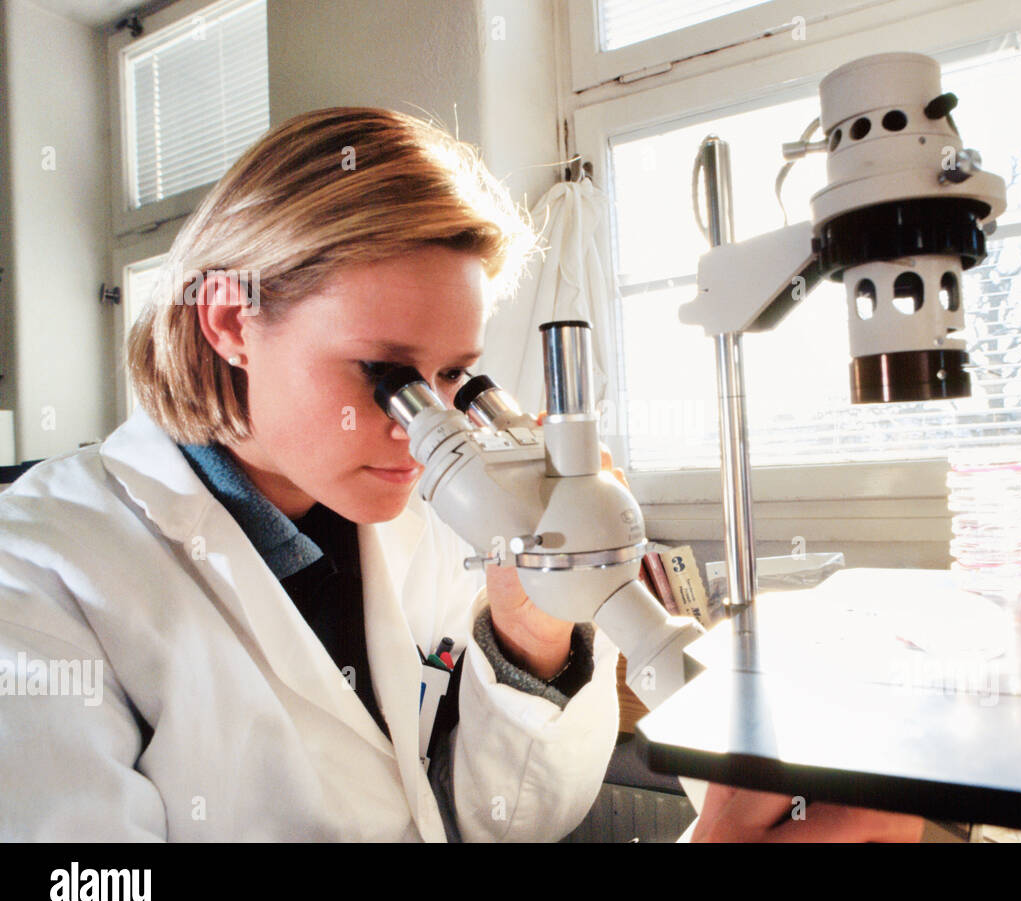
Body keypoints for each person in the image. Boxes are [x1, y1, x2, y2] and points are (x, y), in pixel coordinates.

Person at [0, 107, 922, 843]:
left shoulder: (411, 519)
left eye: (451, 379)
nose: (424, 431)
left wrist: (530, 647)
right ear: (231, 323)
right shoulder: (39, 575)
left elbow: (506, 824)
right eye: (388, 378)